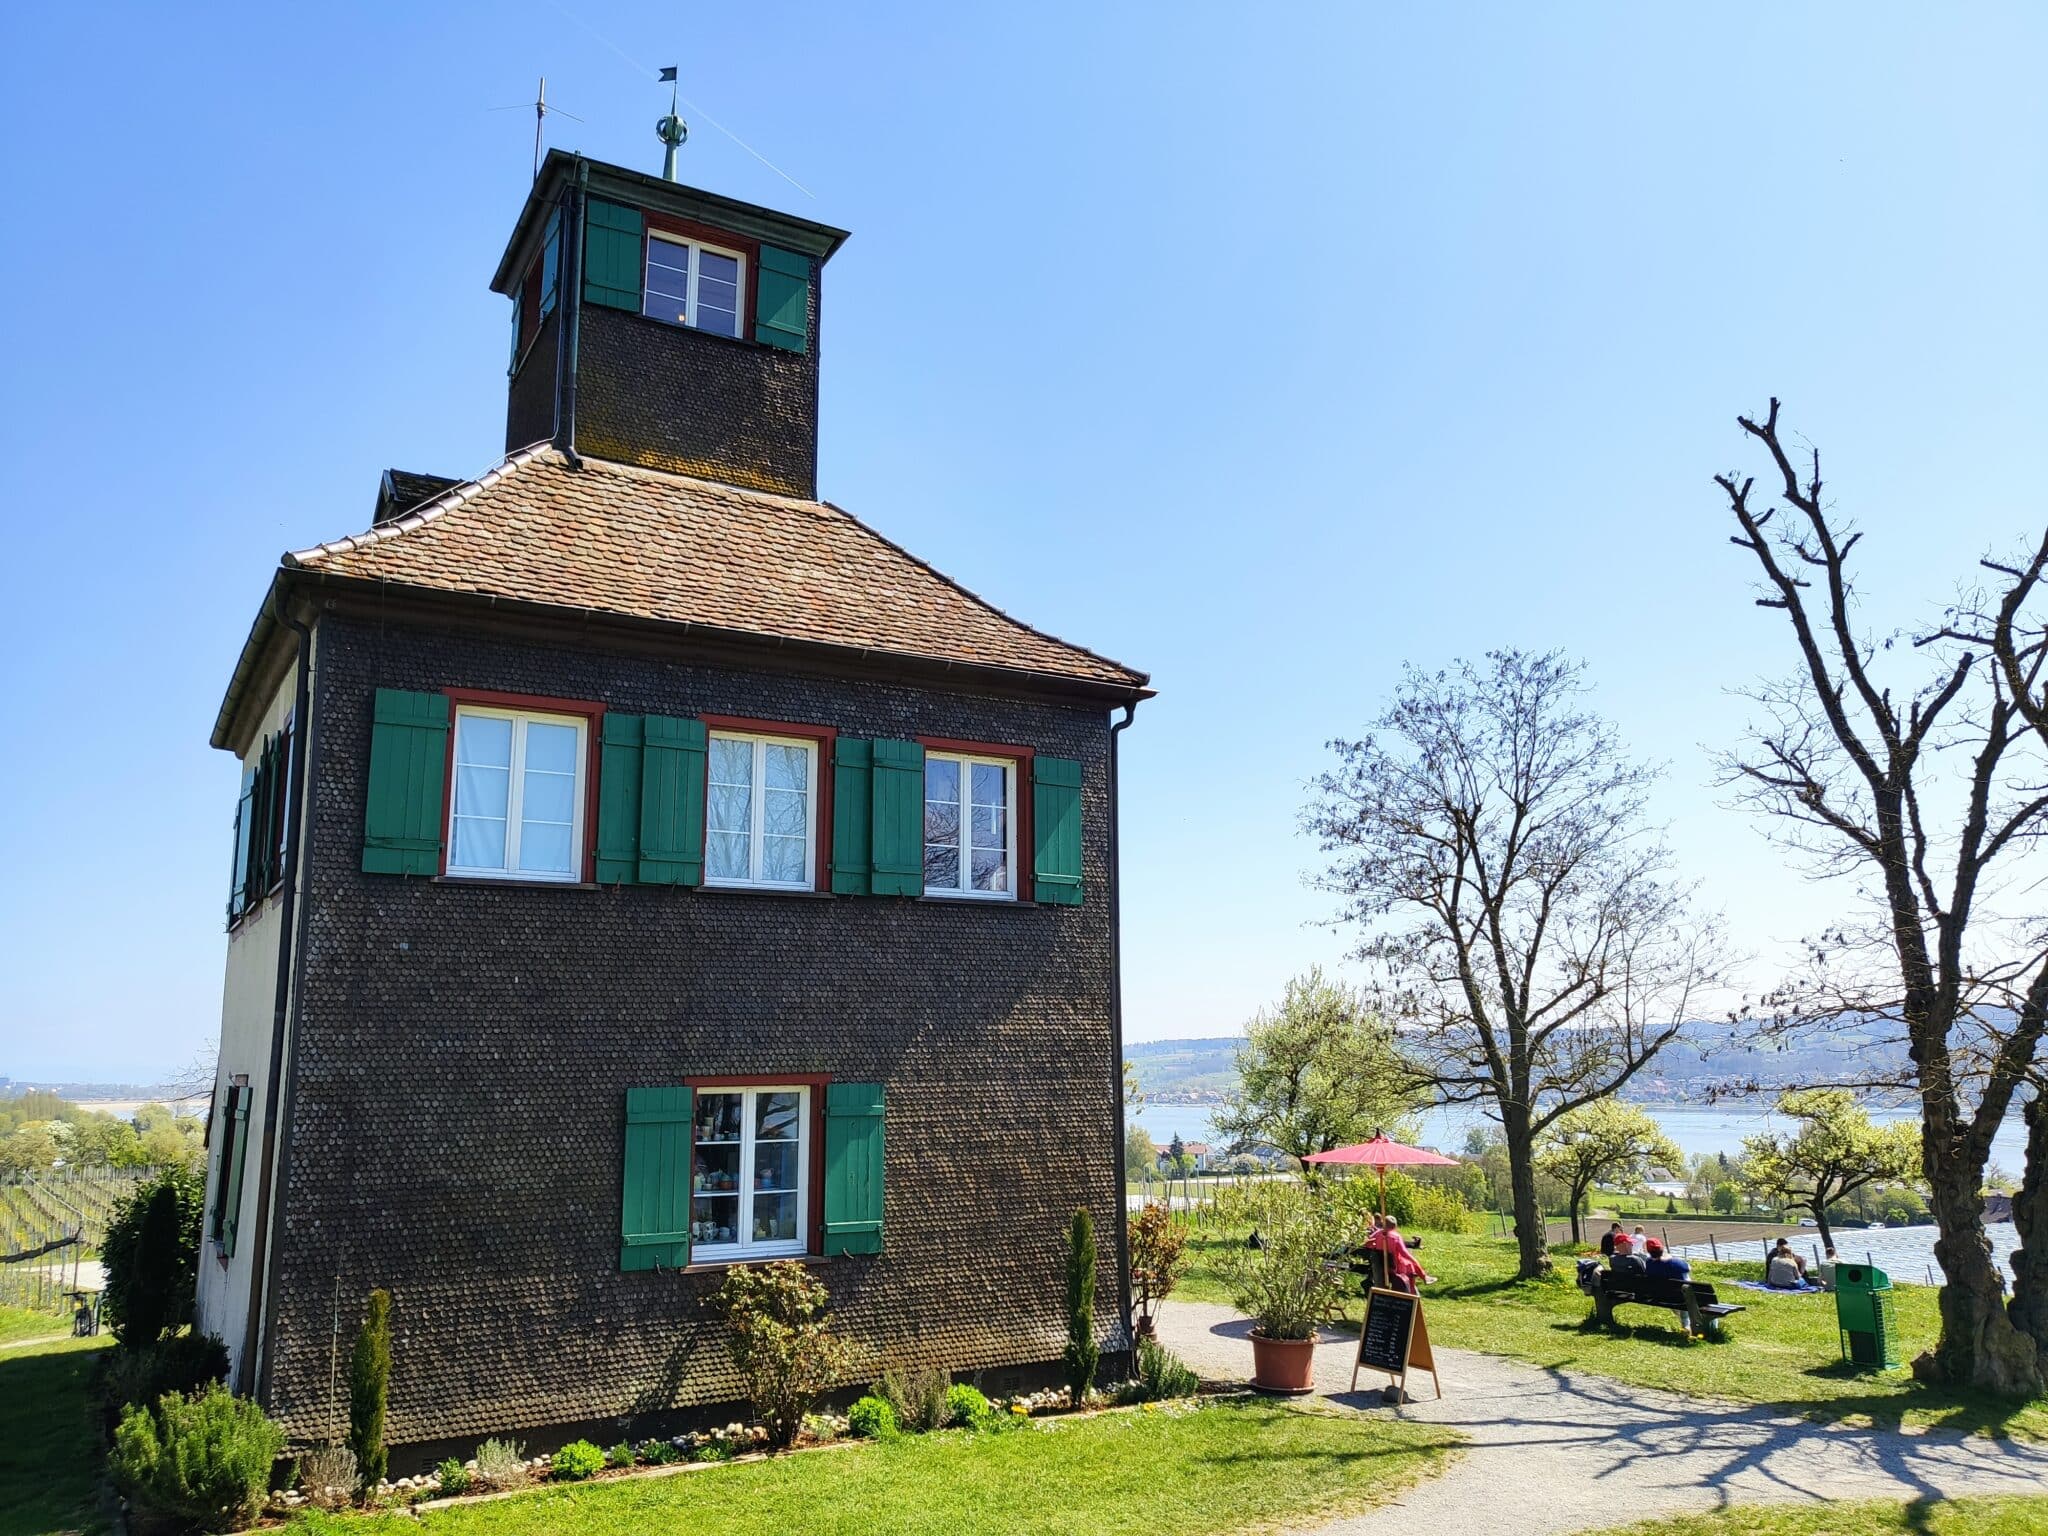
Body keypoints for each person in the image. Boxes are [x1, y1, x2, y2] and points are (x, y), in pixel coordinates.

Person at [1367, 1217, 1431, 1293]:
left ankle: (1424, 1277)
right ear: (1395, 1226)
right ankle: (1423, 1277)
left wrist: (1375, 1245)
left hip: (1380, 1266)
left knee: (1408, 1263)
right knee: (1410, 1264)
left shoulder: (1378, 1233)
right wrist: (1414, 1261)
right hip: (1394, 1267)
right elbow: (1404, 1253)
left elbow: (1367, 1243)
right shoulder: (1395, 1237)